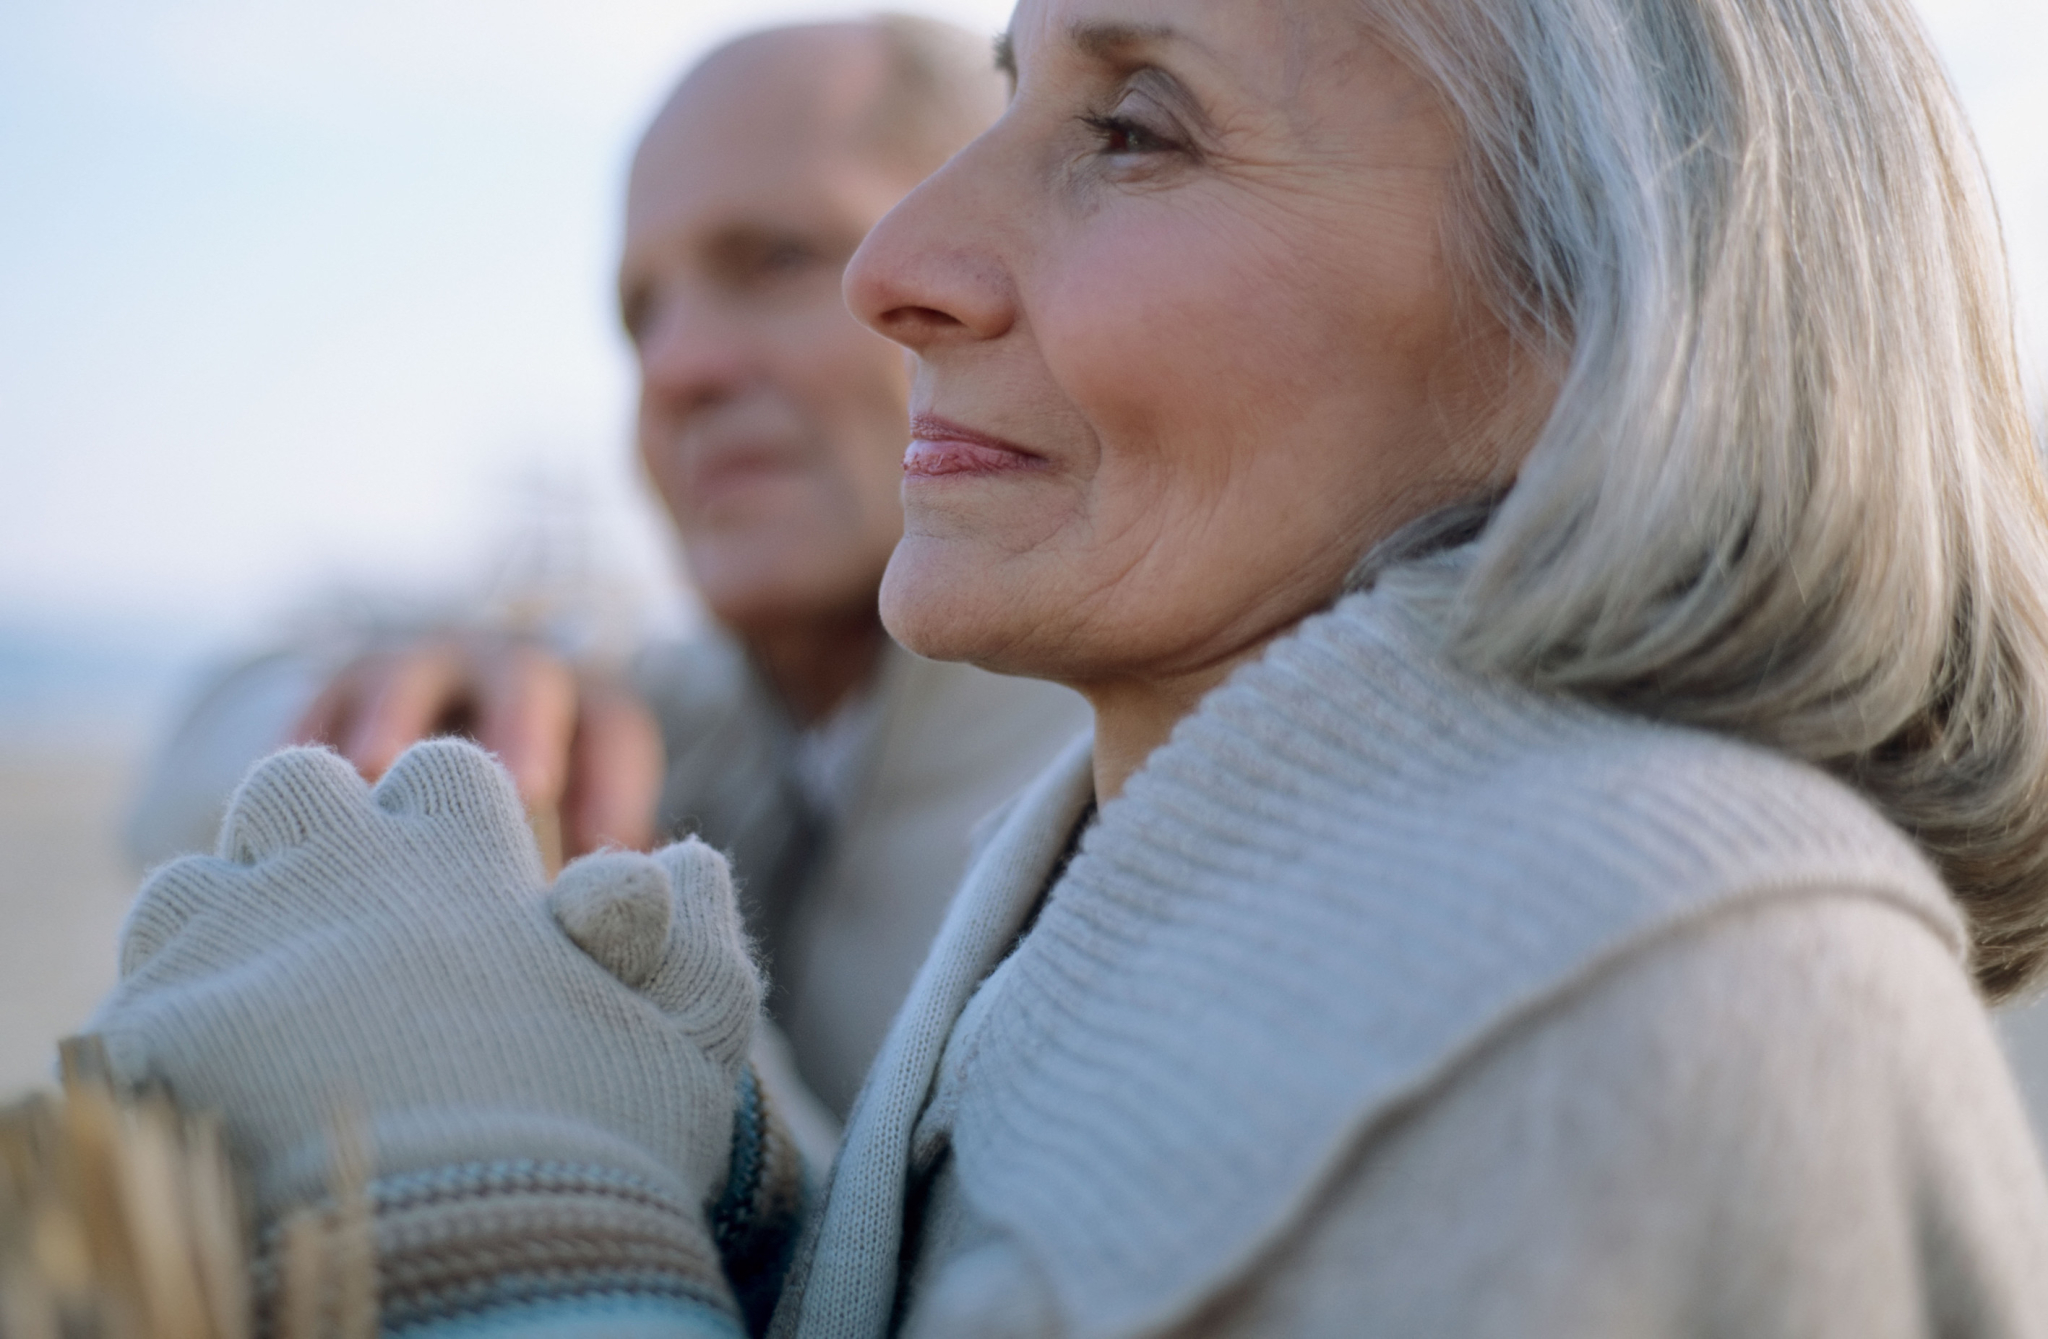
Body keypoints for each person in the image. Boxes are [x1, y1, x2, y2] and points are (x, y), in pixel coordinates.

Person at [91, 0, 2048, 1334]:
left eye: (1132, 125)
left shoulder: (1671, 986)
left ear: (1621, 298)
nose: (904, 271)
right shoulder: (1089, 827)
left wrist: (532, 1245)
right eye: (635, 311)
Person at [121, 16, 1089, 1125]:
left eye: (774, 260)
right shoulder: (672, 727)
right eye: (641, 312)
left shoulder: (1130, 800)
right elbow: (176, 774)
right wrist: (430, 706)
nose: (674, 365)